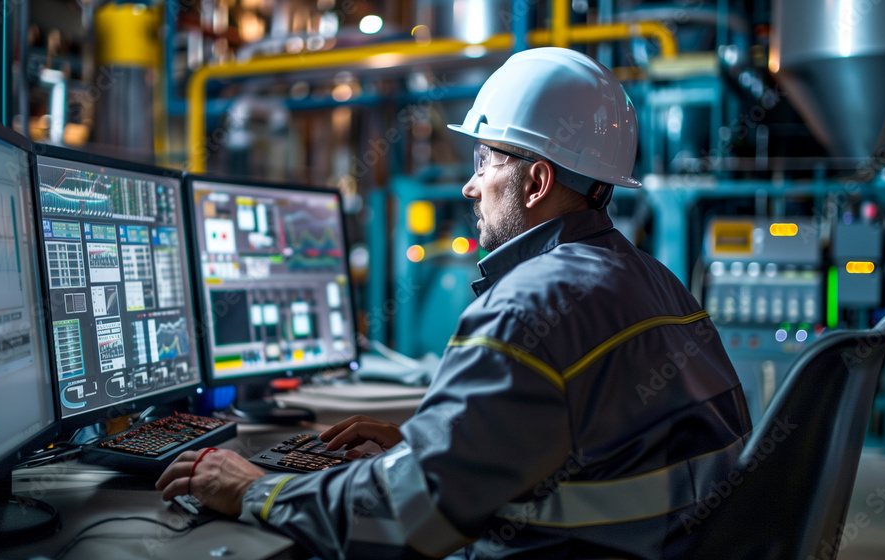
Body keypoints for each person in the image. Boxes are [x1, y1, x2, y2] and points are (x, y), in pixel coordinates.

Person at [157, 47, 751, 559]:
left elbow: (404, 523)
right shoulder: (657, 282)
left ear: (537, 182)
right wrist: (426, 447)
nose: (470, 185)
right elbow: (591, 450)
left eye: (485, 161)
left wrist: (252, 488)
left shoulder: (529, 304)